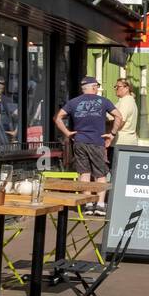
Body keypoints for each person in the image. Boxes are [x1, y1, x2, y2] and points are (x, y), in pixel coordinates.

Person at [54, 76, 123, 216]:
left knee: (84, 172)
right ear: (92, 87)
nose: (98, 88)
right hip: (97, 142)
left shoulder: (73, 102)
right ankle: (100, 204)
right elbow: (119, 116)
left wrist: (68, 133)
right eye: (97, 86)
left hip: (79, 142)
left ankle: (88, 203)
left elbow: (58, 117)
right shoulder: (103, 101)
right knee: (100, 173)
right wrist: (112, 134)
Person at [113, 78, 139, 146]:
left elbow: (120, 121)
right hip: (126, 141)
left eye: (118, 87)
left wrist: (108, 128)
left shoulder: (126, 101)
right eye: (115, 87)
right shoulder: (128, 100)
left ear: (127, 88)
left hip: (121, 142)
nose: (116, 89)